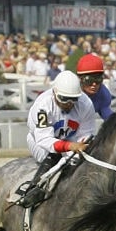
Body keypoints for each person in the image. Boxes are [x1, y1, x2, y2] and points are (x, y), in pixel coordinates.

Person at [11, 69, 100, 209]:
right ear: (54, 92)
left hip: (70, 141)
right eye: (64, 99)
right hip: (40, 142)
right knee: (55, 158)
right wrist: (70, 147)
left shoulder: (86, 104)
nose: (69, 103)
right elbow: (44, 140)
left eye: (74, 99)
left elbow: (86, 136)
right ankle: (33, 190)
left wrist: (76, 147)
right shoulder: (43, 106)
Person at [75, 52, 114, 120]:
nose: (94, 84)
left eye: (98, 79)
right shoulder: (71, 92)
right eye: (89, 80)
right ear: (80, 79)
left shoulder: (103, 95)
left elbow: (109, 119)